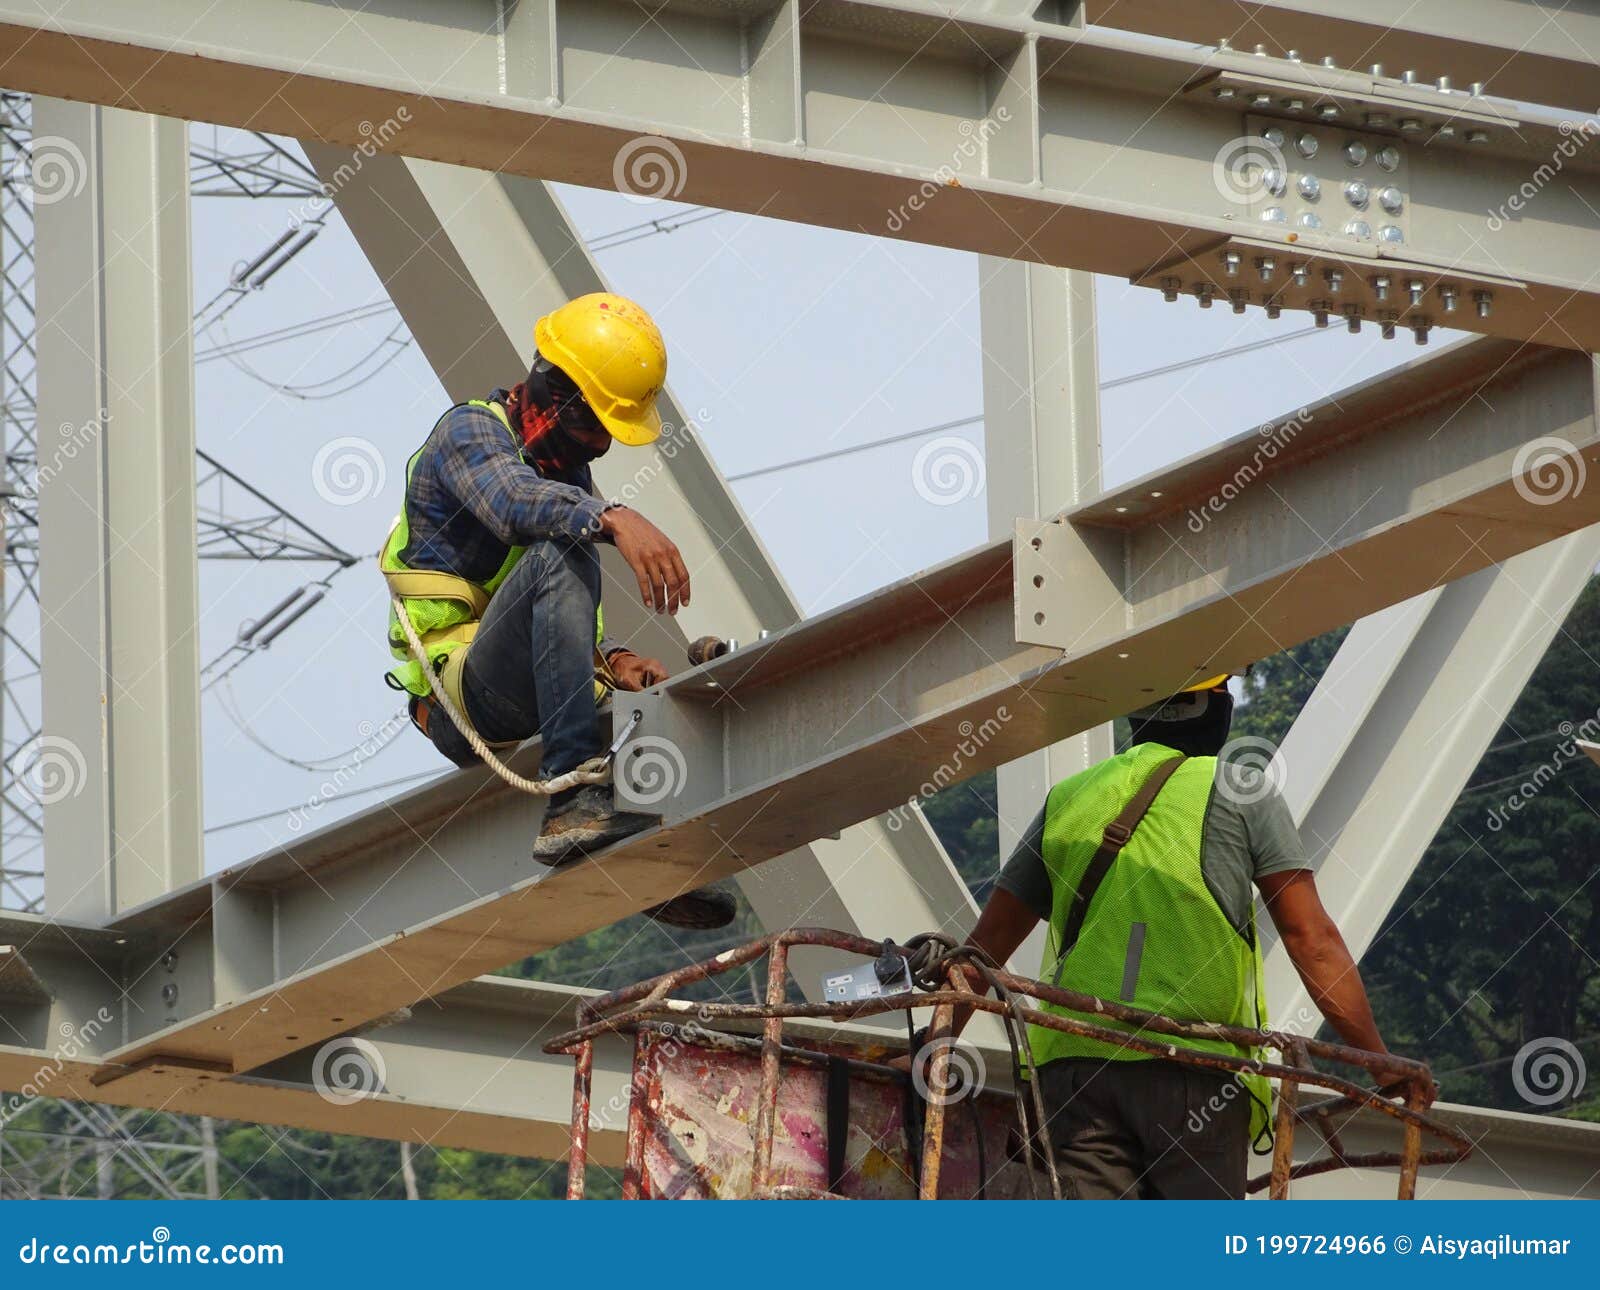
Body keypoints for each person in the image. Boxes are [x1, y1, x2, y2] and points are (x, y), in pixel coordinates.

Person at [939, 677, 1425, 1198]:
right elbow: (1312, 940)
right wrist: (1380, 1062)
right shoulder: (1242, 790)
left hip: (1075, 1071)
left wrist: (935, 1049)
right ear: (1211, 708)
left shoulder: (1071, 796)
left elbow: (984, 948)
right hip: (1193, 1071)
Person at [380, 292, 734, 931]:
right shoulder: (469, 434)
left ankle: (646, 862)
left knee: (643, 708)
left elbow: (549, 619)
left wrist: (616, 663)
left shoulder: (565, 479)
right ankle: (574, 796)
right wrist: (613, 517)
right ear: (552, 393)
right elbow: (515, 504)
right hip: (460, 698)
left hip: (511, 686)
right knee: (560, 550)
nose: (599, 446)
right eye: (593, 424)